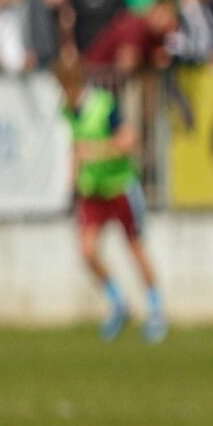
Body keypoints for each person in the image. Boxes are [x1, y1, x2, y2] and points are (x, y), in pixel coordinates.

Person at [57, 55, 168, 344]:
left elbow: (129, 141)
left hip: (119, 186)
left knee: (135, 248)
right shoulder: (68, 110)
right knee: (87, 250)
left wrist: (96, 151)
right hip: (93, 190)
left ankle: (156, 309)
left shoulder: (103, 105)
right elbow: (75, 147)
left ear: (73, 83)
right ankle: (119, 303)